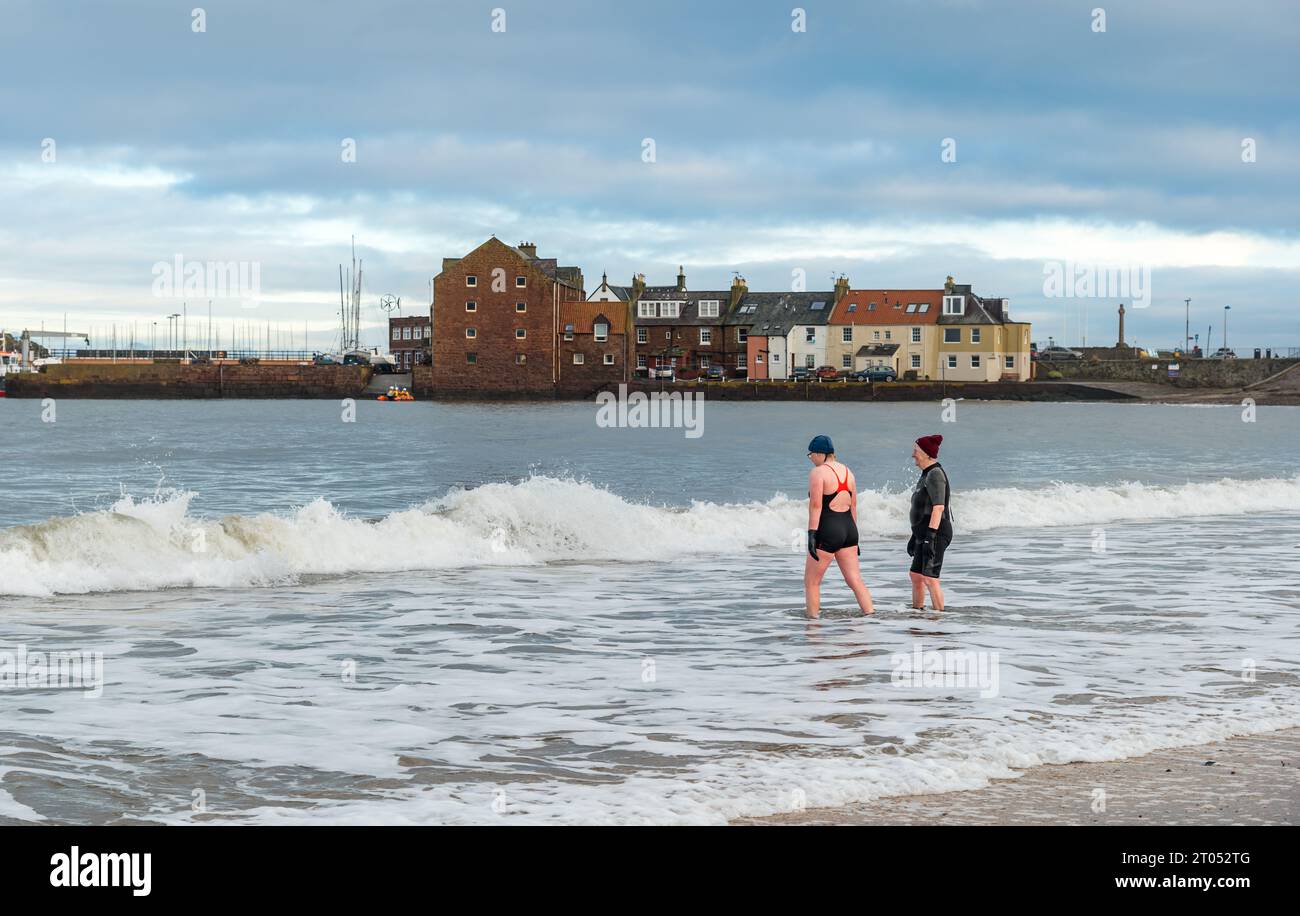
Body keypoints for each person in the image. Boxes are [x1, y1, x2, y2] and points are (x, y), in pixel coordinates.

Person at [804, 435, 875, 618]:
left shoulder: (818, 473)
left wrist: (812, 534)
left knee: (812, 582)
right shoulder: (848, 471)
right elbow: (854, 506)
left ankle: (813, 626)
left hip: (828, 530)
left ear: (820, 453)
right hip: (849, 530)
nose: (810, 458)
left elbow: (816, 506)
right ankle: (871, 617)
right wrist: (855, 538)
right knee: (855, 580)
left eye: (811, 454)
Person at [907, 434, 953, 610]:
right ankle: (917, 613)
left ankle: (938, 619)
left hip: (936, 532)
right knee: (916, 575)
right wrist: (915, 536)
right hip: (924, 533)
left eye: (916, 451)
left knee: (930, 578)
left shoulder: (935, 474)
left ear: (926, 454)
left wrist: (929, 538)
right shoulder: (926, 474)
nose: (913, 455)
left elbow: (938, 508)